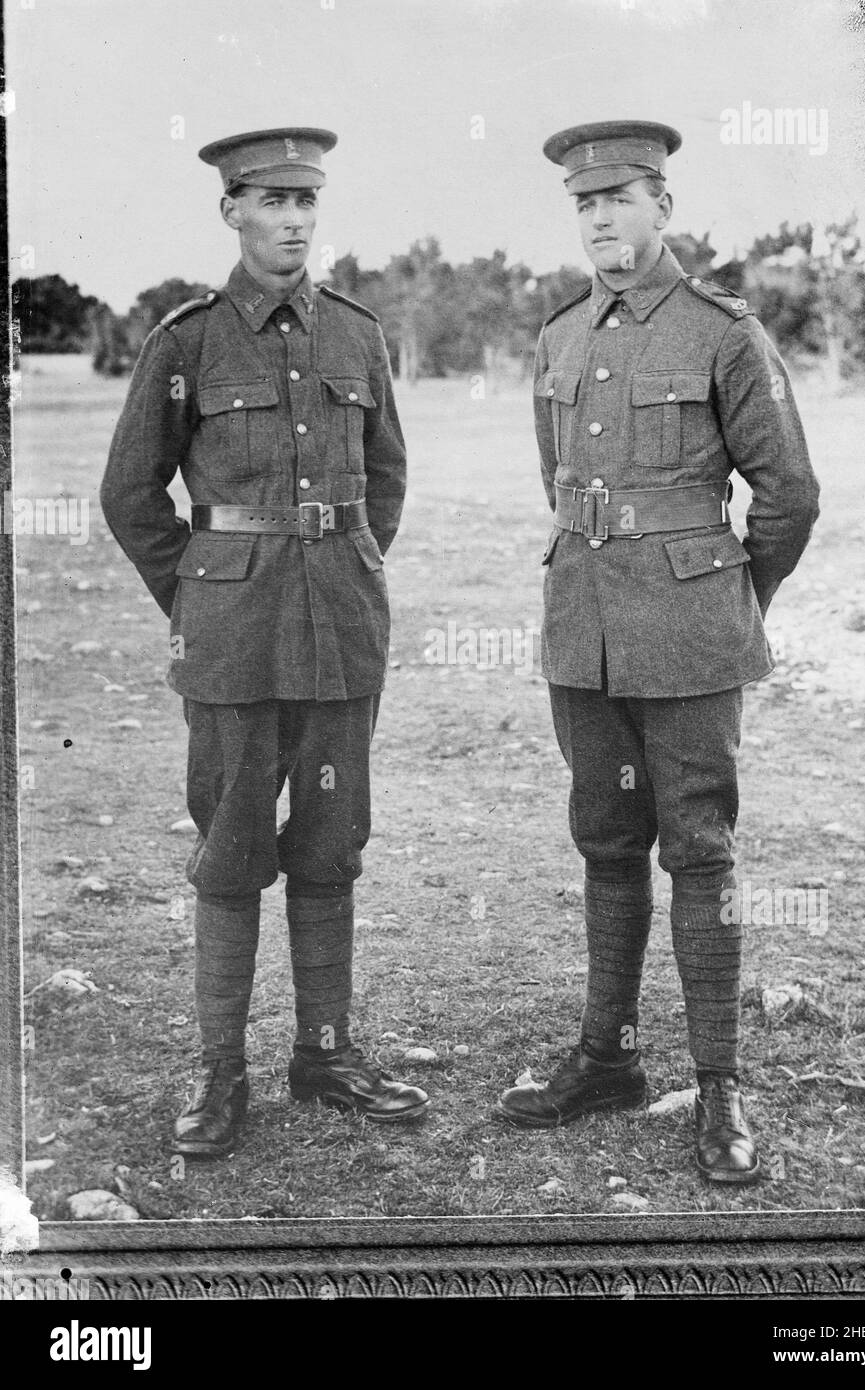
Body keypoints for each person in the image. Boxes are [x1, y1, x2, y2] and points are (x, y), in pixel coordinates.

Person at [496, 121, 820, 1183]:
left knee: (699, 848)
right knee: (602, 839)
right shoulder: (560, 333)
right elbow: (559, 482)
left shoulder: (723, 332)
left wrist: (730, 599)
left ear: (662, 207)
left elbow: (789, 493)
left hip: (688, 634)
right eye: (584, 205)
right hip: (581, 628)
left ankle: (720, 1086)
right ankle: (606, 1057)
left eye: (620, 198)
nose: (600, 220)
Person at [100, 127, 428, 1158]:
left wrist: (347, 565)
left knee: (331, 843)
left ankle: (324, 1052)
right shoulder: (186, 341)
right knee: (233, 846)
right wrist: (199, 593)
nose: (291, 222)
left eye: (305, 204)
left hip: (339, 625)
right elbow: (129, 494)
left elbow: (386, 480)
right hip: (233, 635)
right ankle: (219, 1071)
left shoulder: (355, 334)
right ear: (231, 211)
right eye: (270, 202)